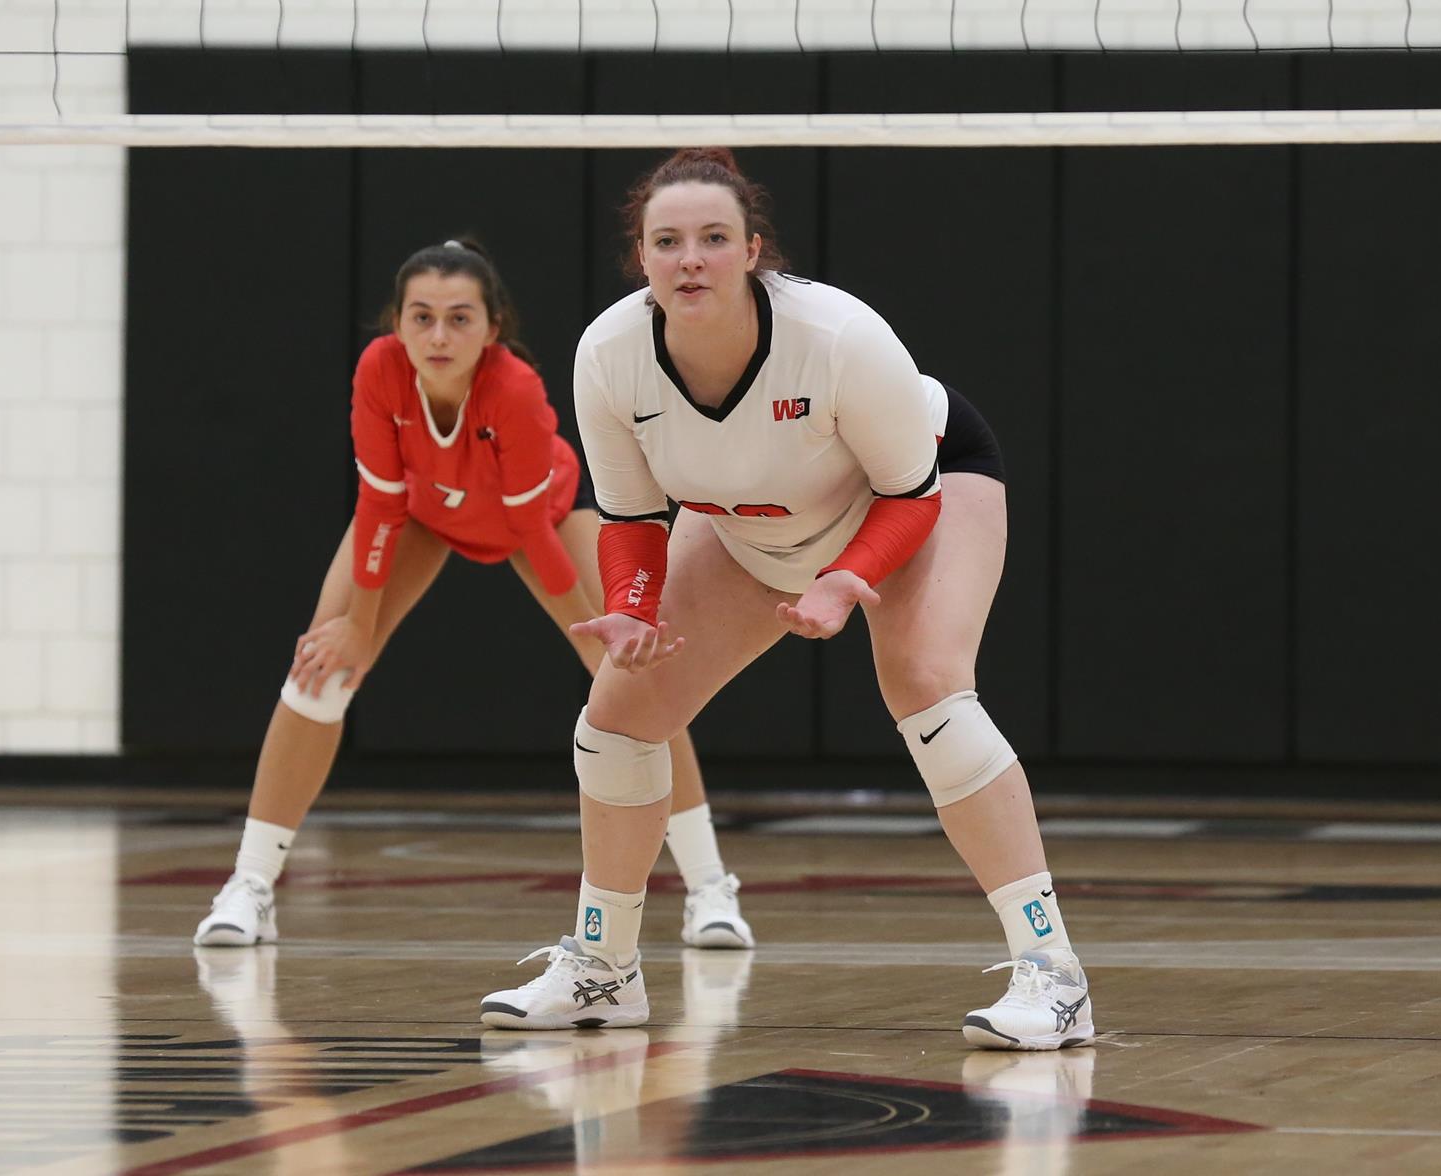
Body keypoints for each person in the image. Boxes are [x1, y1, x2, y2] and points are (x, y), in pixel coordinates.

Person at [476, 149, 1094, 1050]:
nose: (691, 258)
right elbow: (633, 516)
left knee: (927, 688)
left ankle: (1054, 973)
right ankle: (604, 969)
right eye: (668, 241)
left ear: (753, 250)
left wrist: (846, 578)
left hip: (912, 489)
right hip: (747, 522)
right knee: (616, 719)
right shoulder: (609, 355)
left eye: (714, 238)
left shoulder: (837, 335)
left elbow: (910, 493)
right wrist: (634, 606)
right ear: (640, 257)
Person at [193, 239, 753, 952]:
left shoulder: (512, 388)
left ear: (493, 328)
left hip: (543, 520)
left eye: (459, 318)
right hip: (422, 514)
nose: (438, 336)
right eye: (421, 317)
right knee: (321, 666)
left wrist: (597, 639)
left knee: (639, 680)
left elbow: (530, 530)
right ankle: (250, 885)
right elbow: (379, 505)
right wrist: (357, 626)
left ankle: (709, 889)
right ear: (397, 324)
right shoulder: (379, 371)